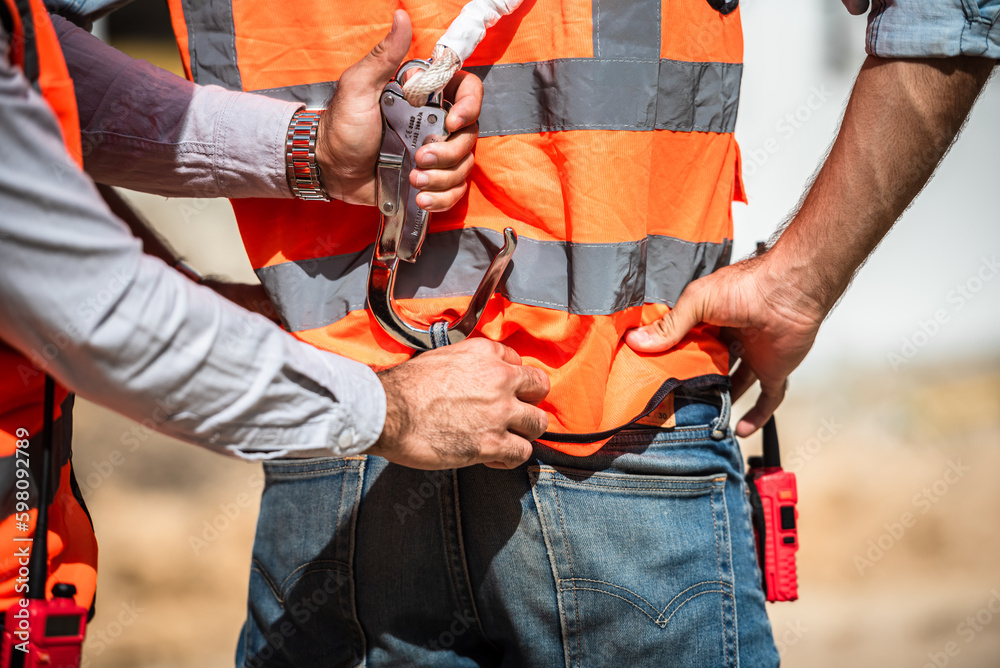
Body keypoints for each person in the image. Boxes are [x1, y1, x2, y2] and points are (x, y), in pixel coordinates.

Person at [169, 1, 780, 666]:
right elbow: (912, 23)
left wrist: (176, 291)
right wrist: (801, 279)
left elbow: (41, 60)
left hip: (342, 433)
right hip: (613, 424)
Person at [0, 0, 548, 622]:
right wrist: (390, 410)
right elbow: (95, 310)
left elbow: (39, 74)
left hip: (31, 559)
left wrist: (314, 151)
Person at [626, 0, 998, 432]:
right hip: (649, 402)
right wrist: (793, 290)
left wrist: (793, 289)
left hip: (648, 396)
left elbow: (946, 12)